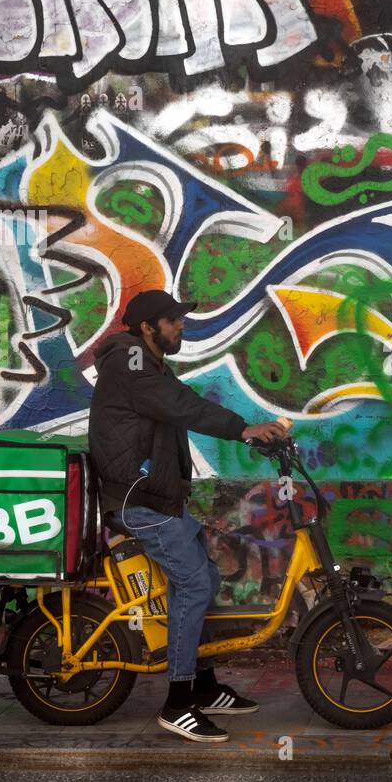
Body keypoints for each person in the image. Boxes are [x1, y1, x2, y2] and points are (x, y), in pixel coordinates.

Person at [89, 289, 290, 742]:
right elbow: (182, 406)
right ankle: (178, 703)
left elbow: (179, 403)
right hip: (136, 503)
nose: (181, 327)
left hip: (156, 500)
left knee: (206, 580)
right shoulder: (130, 363)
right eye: (173, 321)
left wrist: (249, 433)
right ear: (147, 327)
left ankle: (203, 686)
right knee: (195, 582)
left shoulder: (149, 364)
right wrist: (243, 429)